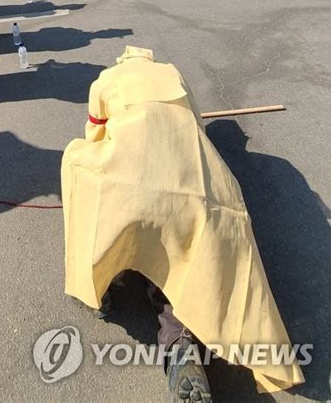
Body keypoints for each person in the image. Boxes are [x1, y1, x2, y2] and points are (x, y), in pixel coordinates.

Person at [61, 47, 304, 402]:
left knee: (80, 169)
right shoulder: (172, 73)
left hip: (126, 196)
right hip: (189, 197)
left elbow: (94, 133)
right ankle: (178, 339)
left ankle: (98, 281)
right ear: (151, 61)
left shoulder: (105, 81)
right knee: (188, 258)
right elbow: (196, 128)